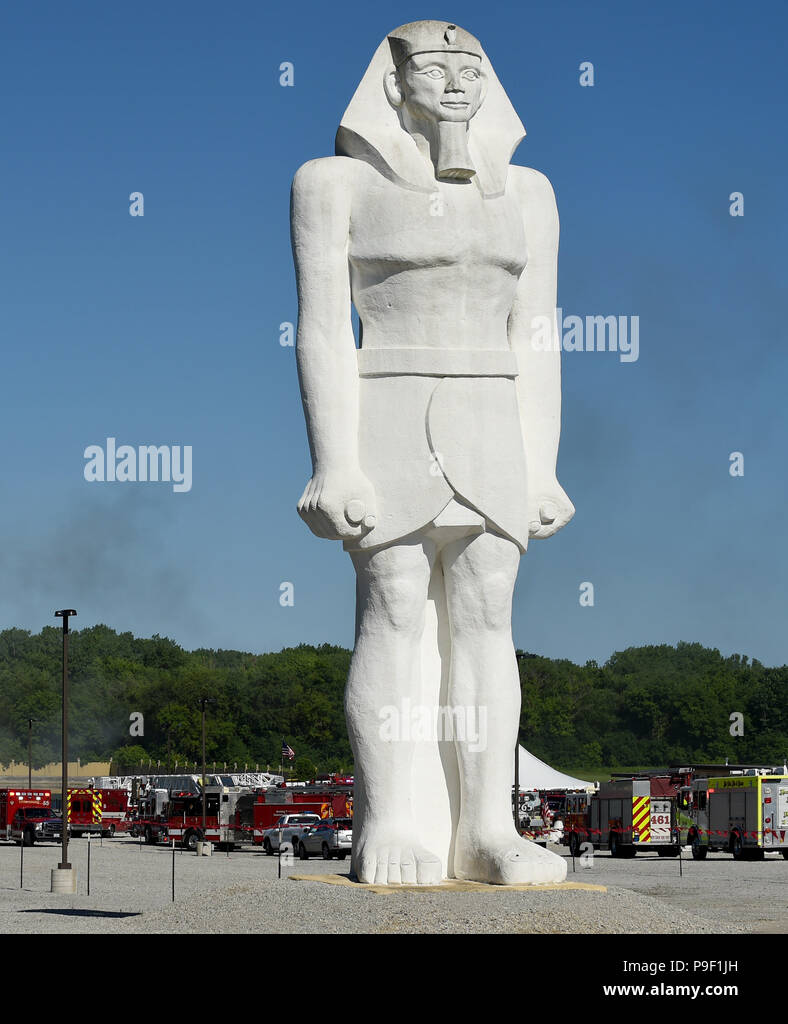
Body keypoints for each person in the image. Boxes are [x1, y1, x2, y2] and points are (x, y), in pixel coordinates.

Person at [292, 20, 573, 886]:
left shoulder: (529, 193)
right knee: (397, 606)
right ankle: (390, 819)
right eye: (435, 66)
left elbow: (539, 335)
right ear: (392, 82)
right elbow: (323, 328)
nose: (456, 82)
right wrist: (332, 460)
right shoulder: (332, 183)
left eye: (472, 68)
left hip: (494, 411)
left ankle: (488, 828)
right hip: (389, 404)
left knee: (489, 616)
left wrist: (545, 462)